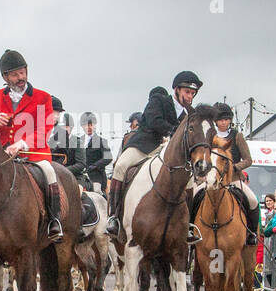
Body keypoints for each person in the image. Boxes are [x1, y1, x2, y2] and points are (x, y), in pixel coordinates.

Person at [106, 71, 203, 241]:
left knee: (188, 181)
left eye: (193, 94)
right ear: (177, 90)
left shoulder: (191, 114)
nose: (190, 96)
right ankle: (114, 217)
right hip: (146, 145)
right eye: (187, 92)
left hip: (170, 154)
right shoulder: (159, 100)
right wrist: (173, 131)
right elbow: (153, 121)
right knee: (121, 166)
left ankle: (187, 225)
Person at [0, 49, 66, 241]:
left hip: (33, 154)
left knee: (49, 173)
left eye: (22, 72)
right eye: (15, 74)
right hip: (2, 157)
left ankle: (55, 221)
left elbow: (44, 128)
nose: (20, 77)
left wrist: (22, 143)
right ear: (5, 76)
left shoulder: (43, 97)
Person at [190, 103, 259, 244]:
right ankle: (191, 230)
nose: (224, 122)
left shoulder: (237, 136)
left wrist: (234, 167)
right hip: (210, 178)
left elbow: (248, 160)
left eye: (227, 119)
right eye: (221, 120)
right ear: (215, 121)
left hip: (232, 179)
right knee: (193, 197)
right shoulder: (210, 136)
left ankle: (251, 233)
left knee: (252, 200)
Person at [65, 112, 113, 193]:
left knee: (97, 191)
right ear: (82, 126)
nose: (89, 127)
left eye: (91, 125)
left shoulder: (102, 141)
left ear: (95, 125)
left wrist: (94, 166)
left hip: (96, 177)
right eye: (87, 125)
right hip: (81, 176)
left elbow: (108, 157)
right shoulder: (78, 141)